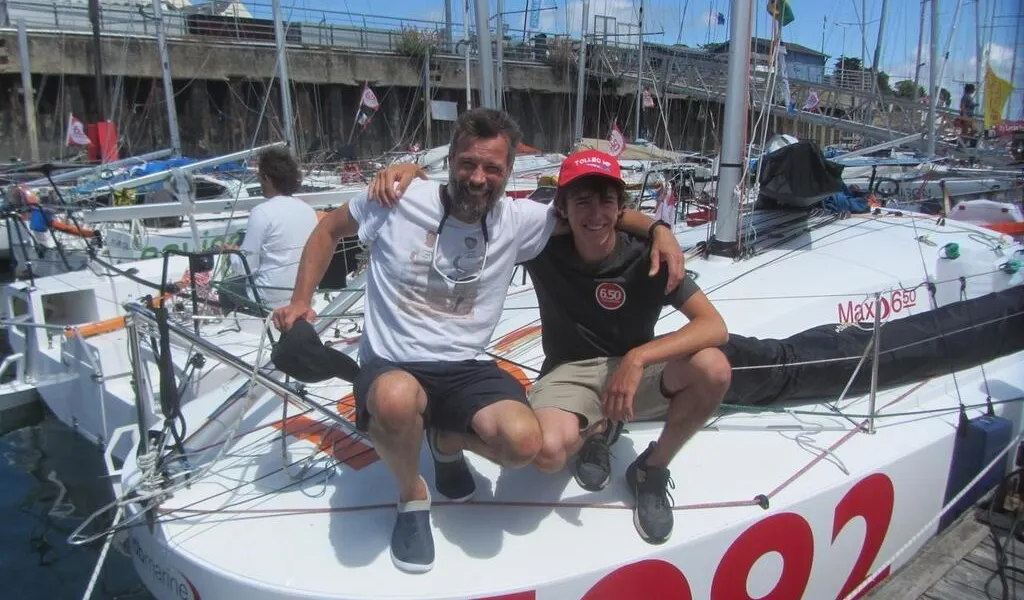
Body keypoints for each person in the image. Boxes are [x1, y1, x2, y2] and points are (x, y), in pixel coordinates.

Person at [273, 108, 685, 574]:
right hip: (394, 363)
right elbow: (328, 227)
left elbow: (596, 212)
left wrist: (659, 229)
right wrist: (300, 300)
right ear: (449, 161)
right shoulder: (400, 196)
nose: (478, 177)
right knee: (393, 398)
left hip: (465, 368)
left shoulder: (519, 219)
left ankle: (445, 441)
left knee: (526, 444)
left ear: (509, 172)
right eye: (468, 163)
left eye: (492, 168)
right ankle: (412, 498)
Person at [523, 150, 731, 545]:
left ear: (621, 208)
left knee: (714, 368)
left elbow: (714, 325)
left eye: (606, 201)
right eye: (582, 201)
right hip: (569, 369)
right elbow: (482, 207)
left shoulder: (648, 257)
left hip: (637, 372)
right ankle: (600, 428)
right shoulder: (542, 246)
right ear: (562, 210)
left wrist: (638, 359)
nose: (595, 214)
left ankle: (649, 470)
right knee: (547, 453)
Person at [224, 147, 319, 312]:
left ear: (266, 178)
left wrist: (232, 254)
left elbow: (246, 266)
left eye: (259, 176)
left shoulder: (261, 212)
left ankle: (245, 327)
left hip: (269, 298)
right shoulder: (308, 211)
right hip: (304, 294)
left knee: (225, 288)